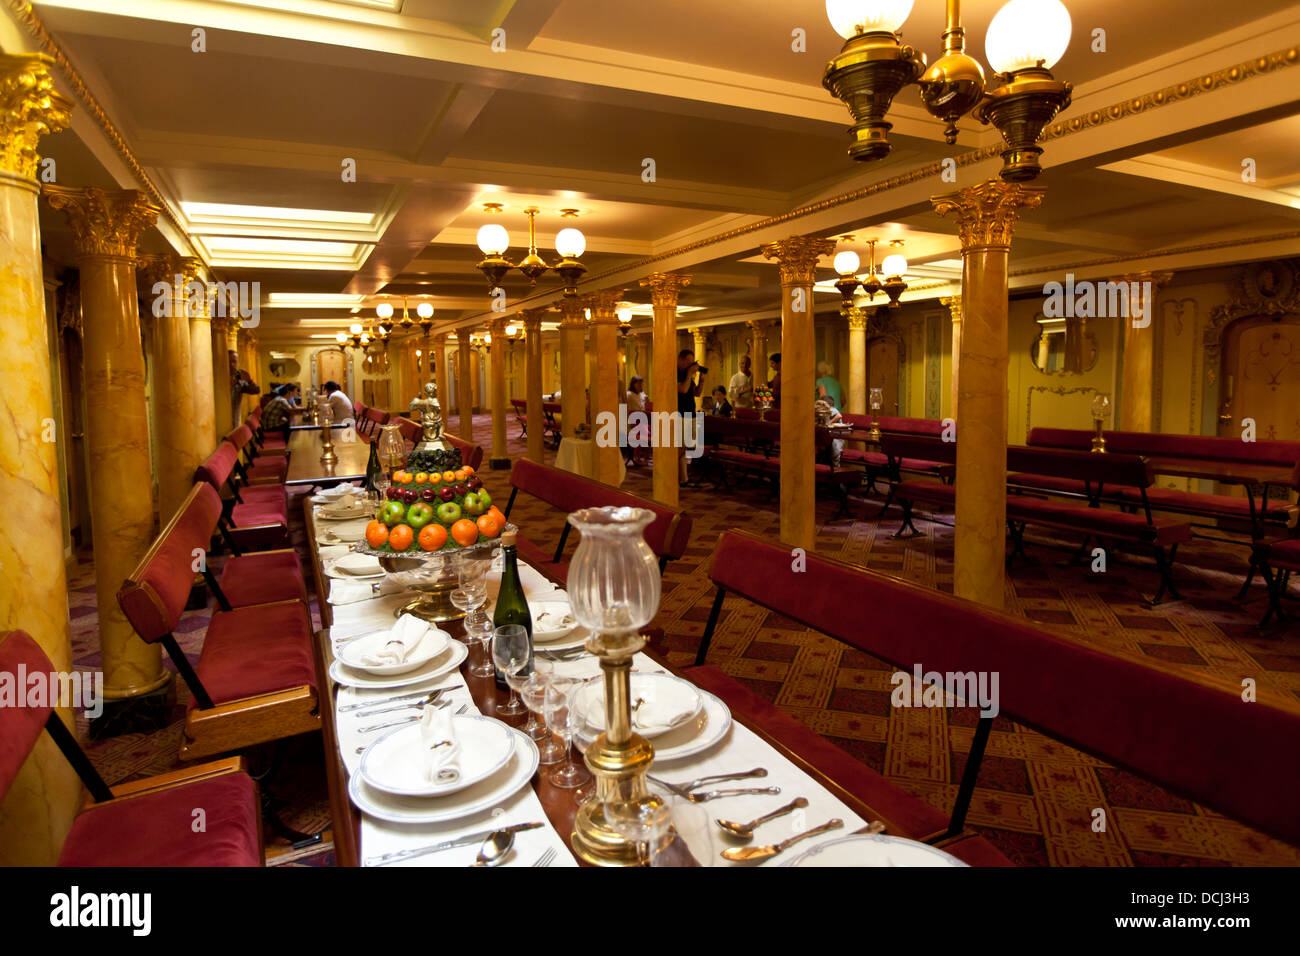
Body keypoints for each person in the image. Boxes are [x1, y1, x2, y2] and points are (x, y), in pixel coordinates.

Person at [677, 349, 704, 483]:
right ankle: (683, 478)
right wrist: (689, 373)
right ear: (680, 360)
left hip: (691, 414)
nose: (690, 365)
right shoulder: (674, 373)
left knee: (688, 446)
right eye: (688, 361)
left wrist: (702, 381)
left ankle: (683, 478)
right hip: (679, 415)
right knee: (681, 446)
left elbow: (696, 393)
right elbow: (683, 389)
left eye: (692, 362)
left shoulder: (686, 374)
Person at [624, 376, 647, 467]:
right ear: (633, 384)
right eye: (638, 383)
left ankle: (643, 455)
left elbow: (642, 406)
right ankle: (636, 455)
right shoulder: (629, 394)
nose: (640, 385)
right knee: (642, 431)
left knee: (647, 430)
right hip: (632, 419)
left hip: (641, 418)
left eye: (641, 383)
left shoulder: (641, 394)